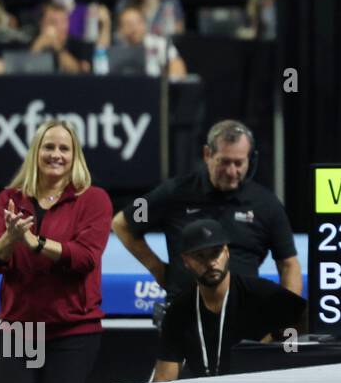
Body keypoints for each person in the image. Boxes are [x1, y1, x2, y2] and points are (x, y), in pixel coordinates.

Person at [0, 120, 113, 383]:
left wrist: (36, 243)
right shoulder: (9, 199)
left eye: (65, 148)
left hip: (73, 333)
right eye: (49, 147)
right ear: (35, 153)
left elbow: (85, 258)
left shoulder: (94, 200)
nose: (56, 154)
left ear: (75, 157)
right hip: (18, 332)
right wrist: (11, 238)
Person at [111, 120, 301, 300]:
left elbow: (289, 265)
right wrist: (157, 268)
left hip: (245, 316)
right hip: (185, 315)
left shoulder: (266, 204)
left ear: (250, 159)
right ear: (207, 154)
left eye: (239, 163)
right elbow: (122, 223)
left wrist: (286, 312)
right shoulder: (172, 193)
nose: (231, 171)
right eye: (224, 162)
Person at [151, 220, 306, 380]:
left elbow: (308, 317)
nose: (211, 262)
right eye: (200, 256)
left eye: (216, 252)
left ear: (227, 252)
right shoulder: (179, 311)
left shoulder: (260, 293)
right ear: (186, 261)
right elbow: (164, 379)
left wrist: (277, 340)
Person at [116, 4, 187, 77]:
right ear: (120, 29)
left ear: (145, 24)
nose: (135, 28)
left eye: (138, 22)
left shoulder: (159, 43)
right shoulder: (116, 50)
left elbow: (177, 67)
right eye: (129, 24)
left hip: (155, 86)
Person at [28, 3, 94, 73]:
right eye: (53, 22)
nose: (61, 27)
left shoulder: (80, 45)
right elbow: (26, 68)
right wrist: (38, 45)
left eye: (63, 21)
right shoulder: (29, 42)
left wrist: (57, 46)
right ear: (42, 25)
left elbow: (77, 71)